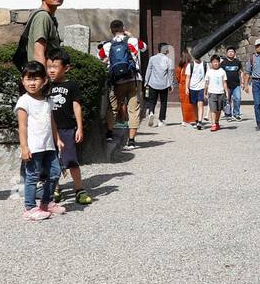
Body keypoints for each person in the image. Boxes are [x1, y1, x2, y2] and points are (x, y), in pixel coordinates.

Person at [11, 0, 67, 199]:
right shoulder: (43, 17)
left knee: (39, 135)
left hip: (36, 85)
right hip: (38, 86)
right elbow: (38, 52)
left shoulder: (48, 17)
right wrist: (43, 85)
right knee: (35, 136)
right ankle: (27, 187)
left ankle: (33, 185)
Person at [15, 61, 64, 220]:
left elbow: (52, 122)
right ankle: (29, 208)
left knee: (55, 173)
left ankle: (46, 202)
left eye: (36, 79)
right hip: (33, 147)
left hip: (48, 146)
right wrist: (24, 147)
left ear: (44, 80)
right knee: (32, 177)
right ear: (22, 81)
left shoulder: (48, 101)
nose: (32, 83)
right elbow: (22, 127)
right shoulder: (24, 101)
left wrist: (57, 139)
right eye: (28, 79)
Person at [46, 49, 92, 206]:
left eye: (55, 66)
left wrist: (79, 127)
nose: (51, 70)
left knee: (71, 159)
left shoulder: (72, 85)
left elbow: (76, 106)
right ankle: (55, 189)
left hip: (67, 128)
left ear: (66, 68)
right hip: (49, 130)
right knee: (51, 160)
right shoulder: (45, 85)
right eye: (49, 66)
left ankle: (79, 189)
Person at [96, 20, 146, 149]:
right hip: (134, 79)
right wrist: (131, 35)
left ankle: (109, 134)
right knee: (133, 109)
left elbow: (99, 57)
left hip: (117, 81)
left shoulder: (107, 45)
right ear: (123, 28)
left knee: (113, 107)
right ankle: (131, 141)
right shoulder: (132, 41)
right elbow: (144, 47)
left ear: (111, 30)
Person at [144, 43, 175, 126]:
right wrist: (171, 84)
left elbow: (148, 70)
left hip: (152, 83)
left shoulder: (152, 59)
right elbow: (170, 73)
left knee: (152, 101)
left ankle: (151, 112)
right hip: (164, 84)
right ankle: (161, 120)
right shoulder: (169, 60)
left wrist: (146, 81)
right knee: (163, 102)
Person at [204, 54, 229, 132]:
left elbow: (224, 82)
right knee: (212, 109)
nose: (215, 63)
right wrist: (205, 91)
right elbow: (206, 83)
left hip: (221, 93)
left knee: (218, 110)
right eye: (214, 62)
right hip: (212, 93)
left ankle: (217, 122)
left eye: (217, 62)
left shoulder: (222, 71)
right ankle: (213, 124)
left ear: (219, 62)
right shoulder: (209, 72)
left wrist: (226, 92)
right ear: (211, 63)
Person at [183, 50, 208, 128]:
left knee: (200, 103)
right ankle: (196, 120)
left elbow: (207, 78)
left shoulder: (205, 64)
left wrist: (207, 88)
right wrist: (186, 88)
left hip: (201, 87)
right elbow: (187, 78)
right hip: (192, 88)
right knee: (194, 105)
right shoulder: (190, 65)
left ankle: (200, 122)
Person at [220, 47, 244, 122]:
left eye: (232, 51)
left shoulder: (238, 62)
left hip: (236, 84)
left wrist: (242, 82)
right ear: (226, 53)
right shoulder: (223, 63)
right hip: (227, 85)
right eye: (229, 51)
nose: (231, 53)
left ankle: (236, 114)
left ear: (234, 53)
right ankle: (228, 115)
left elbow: (242, 72)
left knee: (238, 99)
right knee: (227, 100)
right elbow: (220, 73)